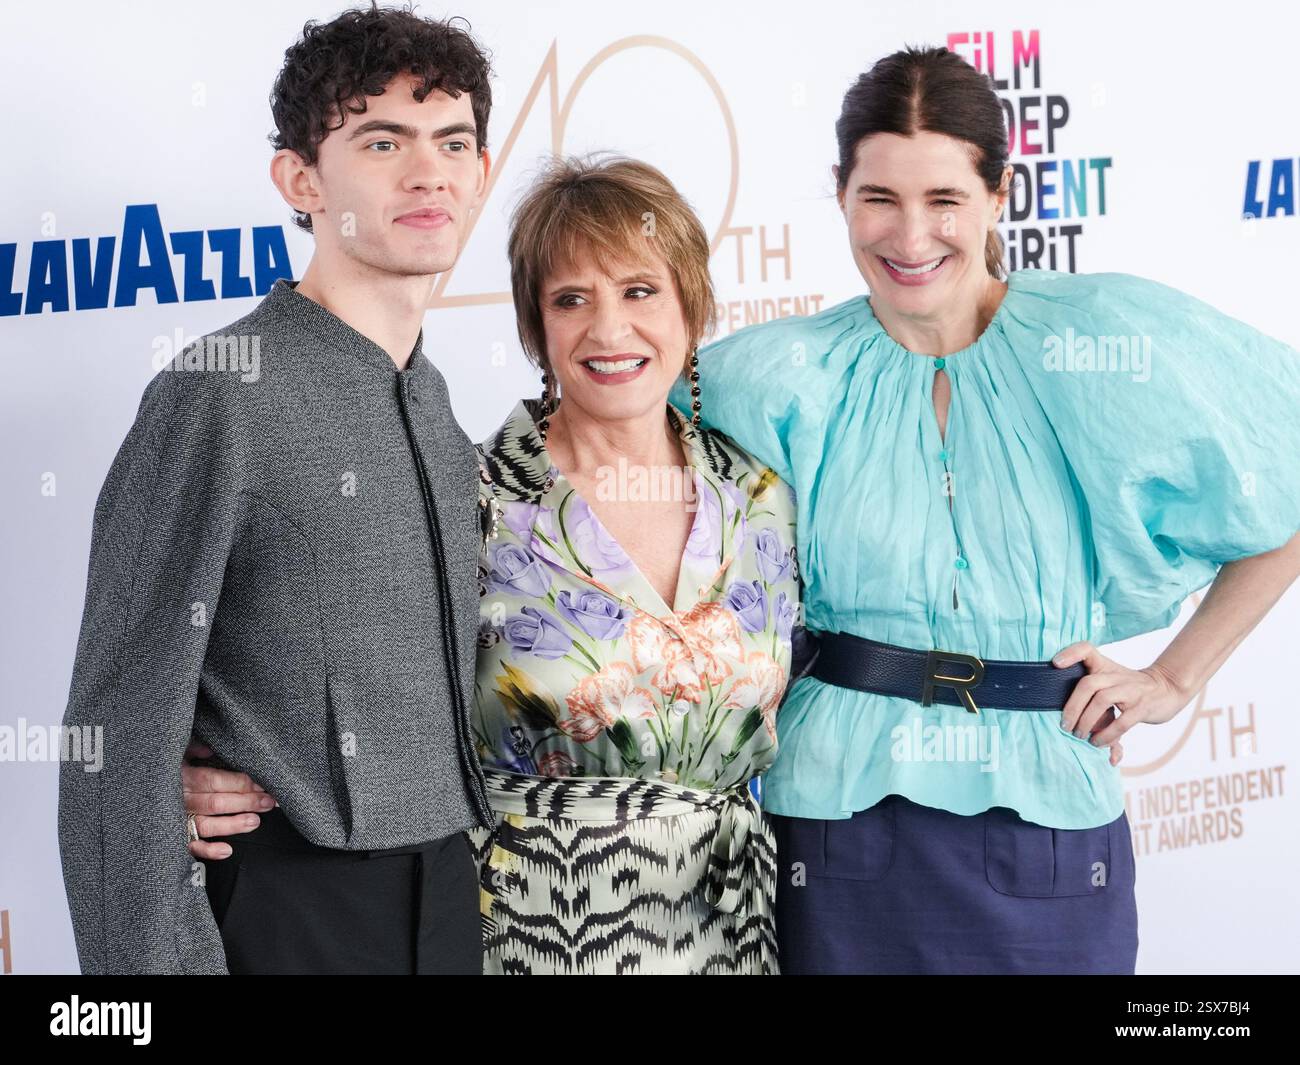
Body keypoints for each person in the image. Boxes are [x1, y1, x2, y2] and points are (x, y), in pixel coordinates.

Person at [668, 44, 1300, 975]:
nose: (910, 236)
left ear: (1001, 194)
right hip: (836, 833)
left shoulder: (1104, 342)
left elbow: (1278, 494)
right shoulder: (769, 377)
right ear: (840, 193)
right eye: (879, 197)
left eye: (944, 200)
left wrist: (1174, 677)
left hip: (1050, 829)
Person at [186, 155, 802, 974]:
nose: (609, 329)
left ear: (691, 303)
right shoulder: (462, 497)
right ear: (535, 329)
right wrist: (188, 781)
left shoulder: (761, 496)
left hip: (731, 935)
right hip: (530, 934)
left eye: (640, 290)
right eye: (571, 299)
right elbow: (324, 674)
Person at [59, 5, 496, 975]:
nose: (428, 172)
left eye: (452, 143)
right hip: (287, 915)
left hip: (448, 903)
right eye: (382, 141)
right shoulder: (216, 395)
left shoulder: (434, 401)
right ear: (301, 179)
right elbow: (113, 740)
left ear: (481, 176)